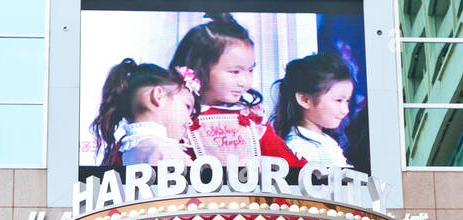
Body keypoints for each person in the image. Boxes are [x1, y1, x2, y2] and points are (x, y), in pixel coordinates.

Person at [168, 12, 311, 169]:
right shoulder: (180, 117)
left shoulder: (251, 119)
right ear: (198, 66)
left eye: (250, 70)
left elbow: (289, 164)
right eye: (235, 72)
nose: (245, 82)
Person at [90, 60, 194, 165]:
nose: (190, 120)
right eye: (187, 106)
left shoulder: (121, 151)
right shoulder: (164, 152)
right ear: (159, 95)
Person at [270, 52, 354, 166]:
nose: (345, 110)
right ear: (305, 100)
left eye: (347, 101)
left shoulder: (324, 141)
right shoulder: (299, 148)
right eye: (338, 100)